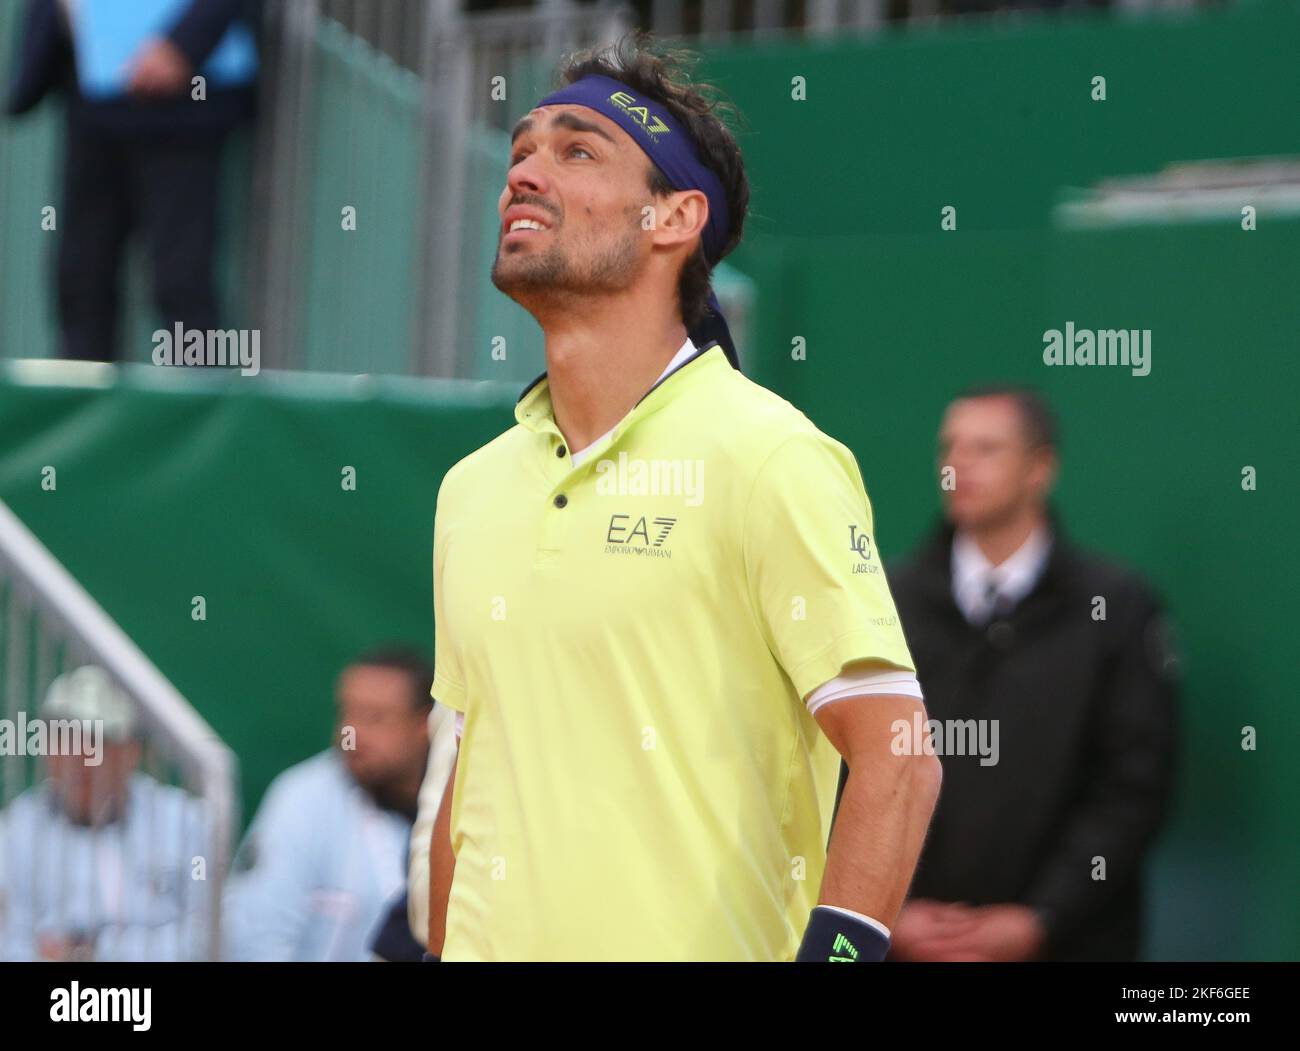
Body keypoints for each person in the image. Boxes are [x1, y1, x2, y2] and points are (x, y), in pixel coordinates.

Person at [424, 33, 941, 963]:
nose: (524, 174)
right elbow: (468, 782)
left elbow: (897, 752)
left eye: (577, 151)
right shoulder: (470, 488)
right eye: (521, 152)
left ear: (674, 217)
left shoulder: (770, 455)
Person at [884, 386, 1179, 961]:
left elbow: (1134, 788)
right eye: (949, 448)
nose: (958, 466)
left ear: (1040, 467)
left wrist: (1042, 918)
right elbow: (843, 771)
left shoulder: (1116, 609)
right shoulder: (885, 602)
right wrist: (887, 909)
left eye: (986, 448)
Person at [5, 0, 258, 362]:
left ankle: (201, 389)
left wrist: (181, 47)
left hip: (186, 106)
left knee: (182, 278)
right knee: (81, 275)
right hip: (91, 98)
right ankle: (81, 393)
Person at [223, 647, 430, 962]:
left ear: (425, 724)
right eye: (347, 713)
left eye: (375, 717)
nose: (352, 733)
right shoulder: (302, 799)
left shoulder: (458, 804)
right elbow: (255, 941)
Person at [0, 665, 211, 961]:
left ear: (131, 751)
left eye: (97, 742)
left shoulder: (185, 823)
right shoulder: (14, 833)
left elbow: (208, 935)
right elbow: (8, 944)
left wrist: (92, 953)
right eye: (63, 739)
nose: (78, 758)